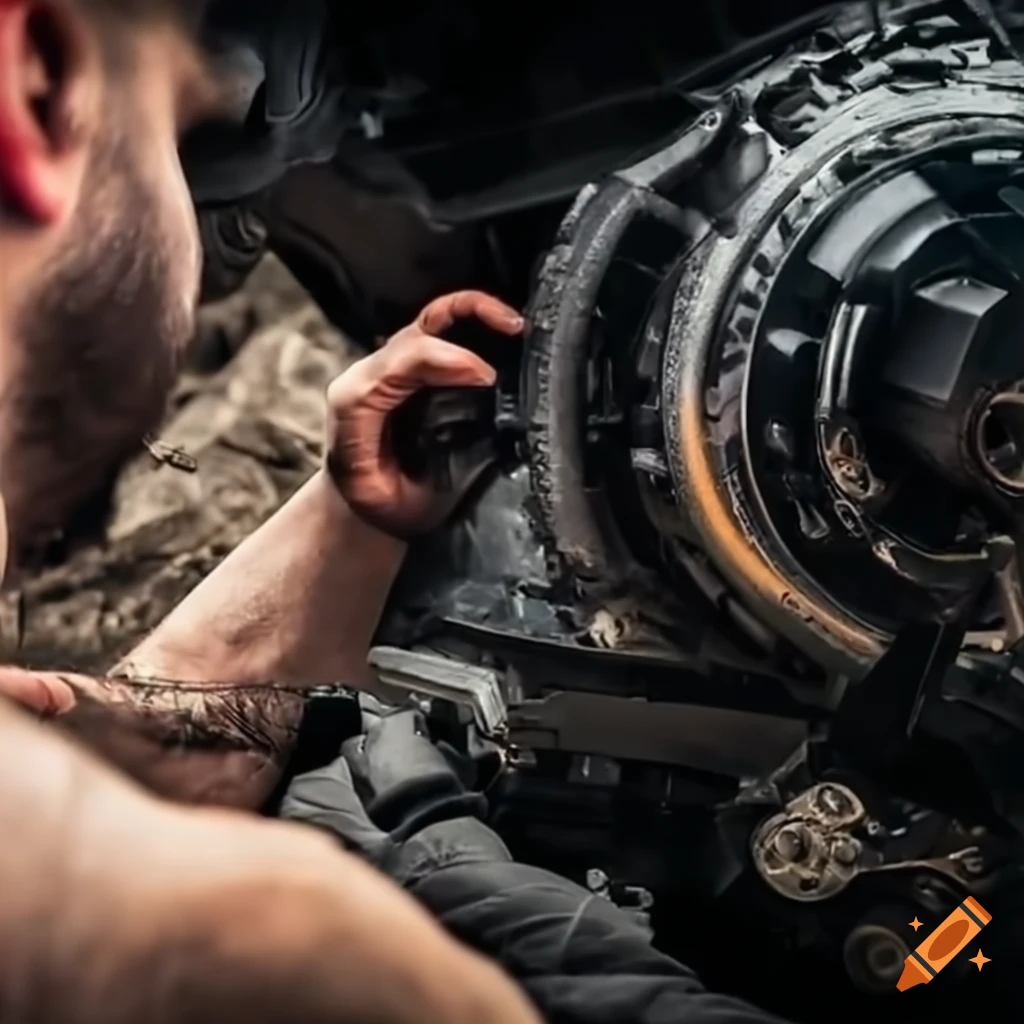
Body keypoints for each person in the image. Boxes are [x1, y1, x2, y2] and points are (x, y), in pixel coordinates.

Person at [0, 1, 540, 1021]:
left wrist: (352, 522)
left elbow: (79, 761)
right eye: (184, 119)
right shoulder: (278, 958)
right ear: (37, 86)